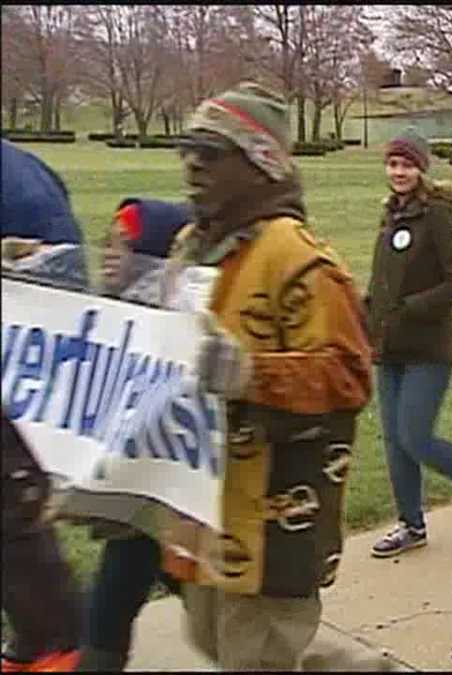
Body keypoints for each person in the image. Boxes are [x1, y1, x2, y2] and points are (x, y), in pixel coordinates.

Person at [169, 82, 374, 670]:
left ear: (260, 162)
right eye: (188, 149)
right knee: (208, 639)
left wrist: (250, 374)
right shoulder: (193, 245)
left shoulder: (299, 258)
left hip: (273, 512)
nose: (192, 164)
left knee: (251, 657)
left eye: (211, 152)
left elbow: (349, 375)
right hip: (204, 504)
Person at [365, 131, 452, 558]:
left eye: (406, 165)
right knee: (393, 440)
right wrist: (367, 317)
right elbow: (382, 283)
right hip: (389, 348)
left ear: (421, 168)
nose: (398, 172)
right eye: (392, 164)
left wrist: (409, 309)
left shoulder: (437, 213)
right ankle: (411, 525)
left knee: (415, 436)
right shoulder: (391, 213)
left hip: (428, 348)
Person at [75, 198, 192, 672]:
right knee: (107, 613)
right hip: (139, 508)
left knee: (235, 629)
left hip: (176, 509)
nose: (108, 253)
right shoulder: (114, 318)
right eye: (108, 241)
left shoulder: (175, 327)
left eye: (125, 245)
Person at [1, 139, 86, 673]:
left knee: (14, 508)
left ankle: (60, 642)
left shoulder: (19, 182)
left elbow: (56, 276)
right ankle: (38, 636)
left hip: (22, 365)